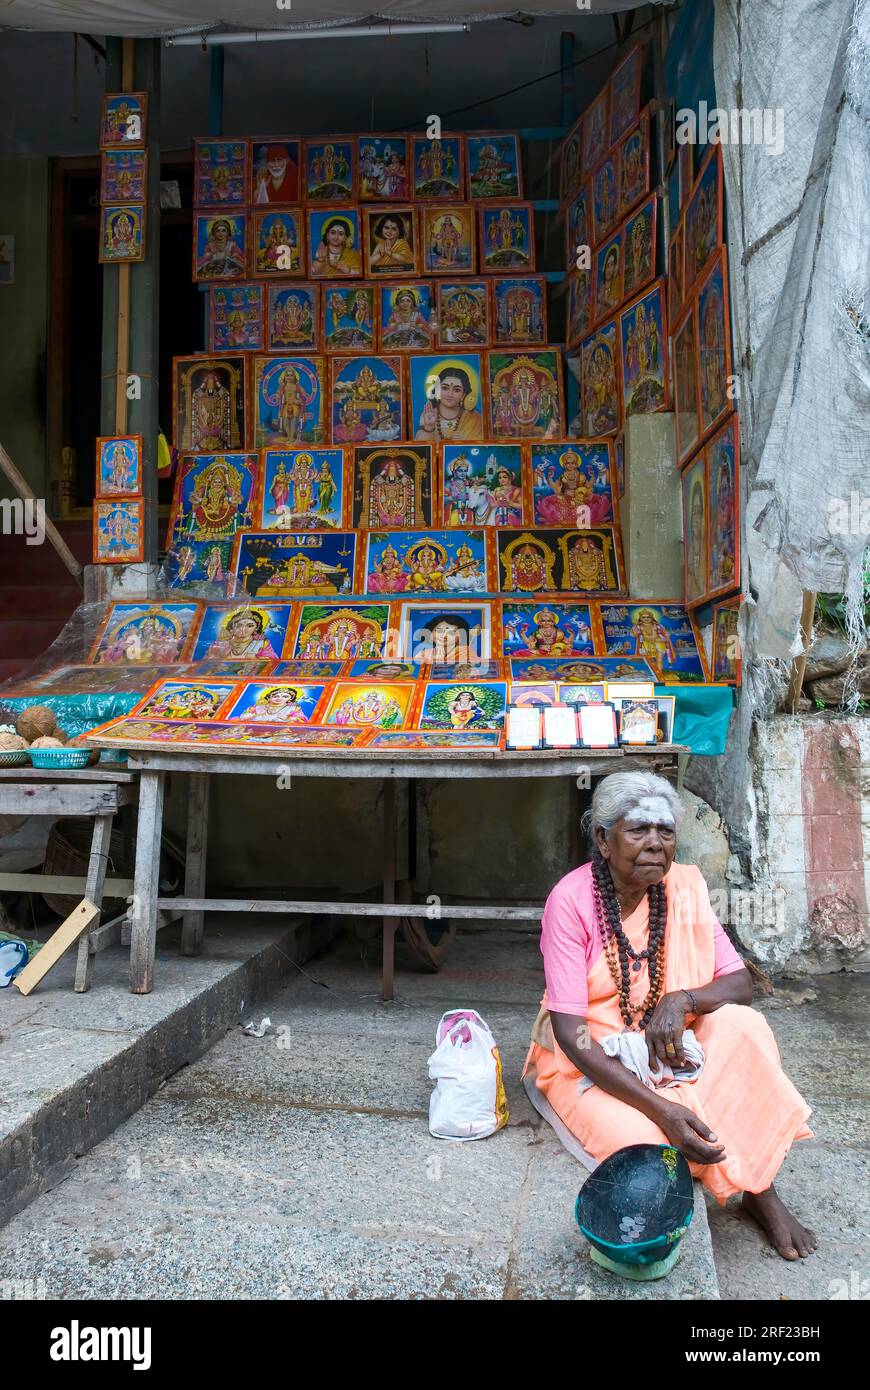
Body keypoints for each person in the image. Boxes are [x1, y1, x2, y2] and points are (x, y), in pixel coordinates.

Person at [523, 771, 817, 1262]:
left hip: (673, 1049)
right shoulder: (570, 902)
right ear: (603, 838)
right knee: (650, 1148)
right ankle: (728, 1153)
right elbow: (572, 1036)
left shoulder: (685, 887)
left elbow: (739, 983)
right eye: (638, 831)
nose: (655, 845)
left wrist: (682, 1000)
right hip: (595, 1063)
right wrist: (663, 1110)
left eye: (666, 832)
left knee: (744, 1027)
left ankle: (760, 1189)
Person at [415, 367, 483, 442]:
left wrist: (465, 442)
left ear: (463, 395)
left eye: (457, 390)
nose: (450, 394)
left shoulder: (474, 418)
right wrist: (429, 428)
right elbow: (421, 449)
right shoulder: (429, 415)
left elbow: (479, 449)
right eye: (445, 388)